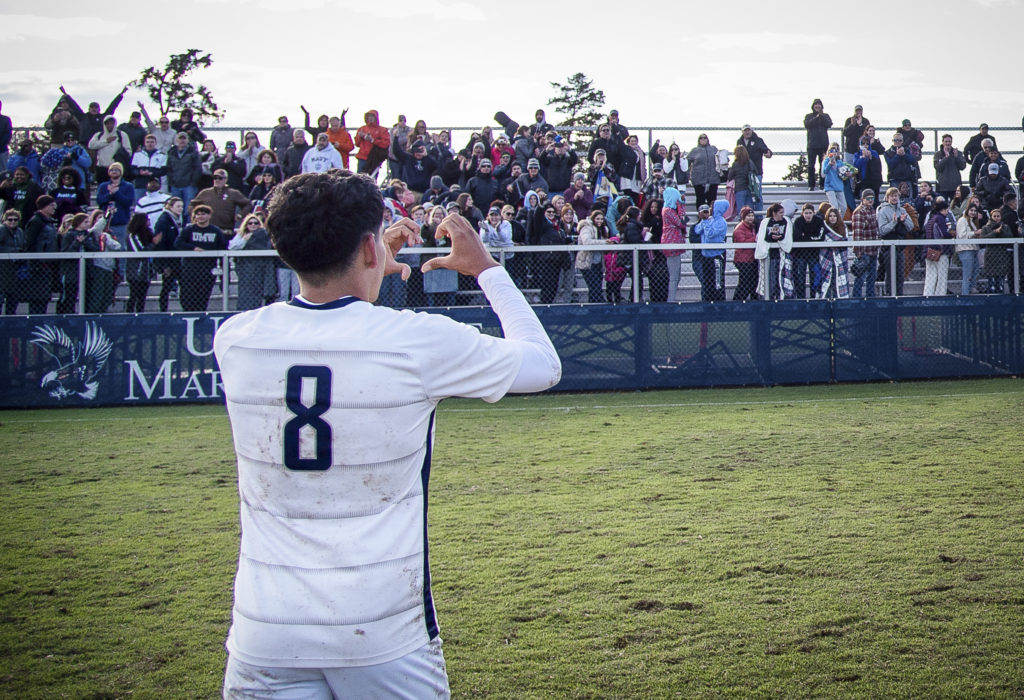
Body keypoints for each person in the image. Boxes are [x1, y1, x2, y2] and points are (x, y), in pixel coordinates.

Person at [213, 171, 559, 699]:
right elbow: (542, 365)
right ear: (369, 248)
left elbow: (331, 327)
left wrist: (365, 263)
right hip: (382, 631)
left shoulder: (236, 338)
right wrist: (487, 269)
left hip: (265, 631)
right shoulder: (415, 341)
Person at [174, 203, 226, 311]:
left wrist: (222, 268)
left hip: (207, 270)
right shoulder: (189, 229)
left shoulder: (215, 231)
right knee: (186, 296)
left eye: (203, 214)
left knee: (203, 297)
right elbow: (178, 243)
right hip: (189, 270)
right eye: (198, 214)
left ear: (209, 215)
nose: (200, 216)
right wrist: (193, 248)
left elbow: (222, 249)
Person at [229, 213, 276, 311]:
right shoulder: (241, 235)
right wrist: (245, 239)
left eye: (256, 223)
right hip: (245, 270)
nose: (253, 225)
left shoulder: (264, 234)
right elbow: (232, 247)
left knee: (261, 293)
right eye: (250, 223)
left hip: (262, 270)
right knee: (245, 294)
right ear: (246, 225)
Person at [756, 202, 793, 301]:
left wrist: (779, 238)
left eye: (783, 212)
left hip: (782, 255)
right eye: (780, 212)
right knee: (771, 279)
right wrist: (772, 237)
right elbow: (763, 238)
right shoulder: (766, 222)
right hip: (770, 256)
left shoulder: (786, 221)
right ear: (774, 213)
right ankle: (770, 299)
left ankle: (783, 298)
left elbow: (787, 237)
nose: (782, 215)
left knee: (782, 279)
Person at [153, 197, 184, 312]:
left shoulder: (178, 219)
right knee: (166, 286)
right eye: (178, 206)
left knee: (184, 285)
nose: (181, 209)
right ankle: (163, 310)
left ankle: (187, 308)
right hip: (169, 260)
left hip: (178, 260)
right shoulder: (164, 220)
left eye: (182, 206)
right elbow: (160, 243)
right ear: (170, 207)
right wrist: (164, 265)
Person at [790, 203, 825, 299]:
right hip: (800, 255)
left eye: (810, 213)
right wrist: (810, 237)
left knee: (814, 277)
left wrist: (805, 236)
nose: (808, 215)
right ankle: (801, 298)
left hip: (814, 255)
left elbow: (820, 237)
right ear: (802, 213)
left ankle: (813, 297)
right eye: (806, 213)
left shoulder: (819, 221)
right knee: (800, 278)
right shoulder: (798, 221)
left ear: (814, 213)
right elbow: (797, 237)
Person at [575, 208, 610, 303]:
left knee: (596, 287)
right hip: (587, 263)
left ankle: (594, 305)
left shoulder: (602, 229)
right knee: (594, 287)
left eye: (601, 219)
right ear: (593, 218)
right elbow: (587, 241)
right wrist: (604, 242)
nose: (600, 221)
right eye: (597, 219)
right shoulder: (586, 227)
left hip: (598, 263)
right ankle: (599, 304)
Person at [695, 200, 728, 301]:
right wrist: (703, 220)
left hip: (716, 256)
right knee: (707, 283)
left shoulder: (721, 222)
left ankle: (719, 305)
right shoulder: (709, 219)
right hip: (706, 257)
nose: (710, 209)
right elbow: (697, 230)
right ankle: (707, 304)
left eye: (712, 206)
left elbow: (710, 236)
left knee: (717, 283)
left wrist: (705, 222)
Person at [850, 190, 880, 298]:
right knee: (860, 277)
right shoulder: (859, 212)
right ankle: (856, 299)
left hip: (873, 250)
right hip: (864, 251)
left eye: (872, 198)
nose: (870, 200)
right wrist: (859, 252)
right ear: (863, 199)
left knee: (872, 278)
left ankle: (870, 299)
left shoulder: (872, 210)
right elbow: (858, 234)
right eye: (868, 198)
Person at [124, 213, 155, 312]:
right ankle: (129, 315)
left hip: (146, 272)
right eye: (147, 220)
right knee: (134, 296)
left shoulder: (149, 234)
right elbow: (139, 252)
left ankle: (140, 315)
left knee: (142, 297)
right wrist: (153, 243)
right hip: (135, 272)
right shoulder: (132, 236)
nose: (149, 222)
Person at [87, 116, 132, 185]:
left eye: (111, 123)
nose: (109, 125)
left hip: (116, 168)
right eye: (107, 123)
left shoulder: (121, 135)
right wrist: (106, 141)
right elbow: (91, 145)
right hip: (102, 168)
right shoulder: (99, 135)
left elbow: (128, 151)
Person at [661, 188, 686, 302]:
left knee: (677, 276)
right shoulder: (668, 211)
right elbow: (681, 223)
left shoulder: (670, 210)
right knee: (674, 277)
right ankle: (670, 301)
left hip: (675, 243)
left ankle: (671, 299)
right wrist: (681, 206)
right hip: (671, 244)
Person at [166, 132, 202, 212]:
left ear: (188, 140)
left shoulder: (193, 152)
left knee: (188, 209)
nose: (182, 141)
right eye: (180, 138)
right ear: (176, 140)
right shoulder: (171, 152)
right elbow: (169, 168)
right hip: (175, 185)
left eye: (184, 138)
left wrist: (193, 182)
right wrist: (171, 181)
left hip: (189, 186)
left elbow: (198, 168)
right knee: (175, 208)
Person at [736, 126, 771, 209]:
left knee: (757, 195)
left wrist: (768, 154)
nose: (747, 132)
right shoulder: (740, 141)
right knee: (747, 195)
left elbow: (766, 150)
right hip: (744, 173)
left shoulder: (758, 140)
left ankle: (759, 214)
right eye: (745, 130)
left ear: (752, 131)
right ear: (742, 132)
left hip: (756, 172)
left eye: (748, 130)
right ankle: (748, 214)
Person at [803, 99, 833, 190]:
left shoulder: (825, 115)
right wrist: (816, 117)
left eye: (819, 105)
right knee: (811, 165)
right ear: (813, 106)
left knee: (823, 165)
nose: (817, 106)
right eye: (816, 105)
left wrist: (821, 116)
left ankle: (822, 184)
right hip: (812, 145)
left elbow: (829, 124)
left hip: (823, 145)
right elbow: (807, 124)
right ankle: (811, 185)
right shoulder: (809, 116)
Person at [981, 207, 1012, 293]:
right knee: (991, 280)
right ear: (991, 217)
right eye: (994, 216)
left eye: (998, 216)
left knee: (1000, 280)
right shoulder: (985, 228)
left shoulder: (1006, 227)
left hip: (1002, 255)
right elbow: (983, 239)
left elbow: (1009, 237)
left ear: (1001, 217)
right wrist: (995, 232)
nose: (996, 218)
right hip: (990, 256)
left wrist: (1001, 231)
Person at [732, 206, 759, 301]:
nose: (751, 218)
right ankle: (738, 301)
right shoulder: (740, 228)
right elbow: (742, 243)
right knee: (744, 283)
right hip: (743, 260)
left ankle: (753, 300)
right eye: (748, 216)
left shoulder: (752, 227)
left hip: (751, 259)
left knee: (753, 282)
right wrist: (755, 239)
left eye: (752, 216)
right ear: (743, 217)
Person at [0, 210, 24, 314]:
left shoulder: (20, 232)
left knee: (14, 297)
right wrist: (12, 251)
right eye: (10, 220)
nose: (13, 222)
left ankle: (10, 319)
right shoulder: (1, 230)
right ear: (4, 220)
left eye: (15, 220)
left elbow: (22, 245)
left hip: (15, 270)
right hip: (2, 269)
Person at [687, 134, 720, 209]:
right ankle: (700, 215)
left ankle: (712, 215)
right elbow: (686, 164)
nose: (703, 139)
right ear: (698, 140)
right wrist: (689, 176)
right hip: (698, 180)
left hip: (713, 179)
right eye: (701, 138)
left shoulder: (714, 149)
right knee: (700, 200)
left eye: (705, 138)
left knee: (712, 201)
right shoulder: (694, 150)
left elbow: (721, 160)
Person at [354, 110, 390, 176]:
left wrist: (372, 140)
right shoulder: (362, 129)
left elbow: (386, 144)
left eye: (372, 116)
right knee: (359, 178)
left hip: (375, 158)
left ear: (376, 118)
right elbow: (357, 144)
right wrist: (360, 137)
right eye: (368, 116)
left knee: (372, 178)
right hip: (362, 157)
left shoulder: (382, 130)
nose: (370, 118)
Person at [933, 134, 966, 200]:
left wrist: (956, 157)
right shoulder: (938, 154)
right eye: (946, 141)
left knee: (955, 204)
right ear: (943, 142)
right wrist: (946, 158)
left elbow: (962, 167)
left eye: (949, 141)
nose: (948, 143)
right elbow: (938, 167)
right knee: (941, 204)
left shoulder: (958, 153)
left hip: (955, 186)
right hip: (942, 187)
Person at [727, 146, 753, 216]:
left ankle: (741, 221)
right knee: (749, 208)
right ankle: (751, 220)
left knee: (741, 209)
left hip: (739, 188)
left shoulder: (735, 164)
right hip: (748, 187)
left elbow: (730, 176)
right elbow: (755, 172)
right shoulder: (749, 162)